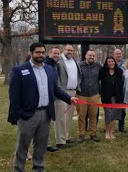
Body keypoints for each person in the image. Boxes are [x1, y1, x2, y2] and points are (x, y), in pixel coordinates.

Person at [9, 42, 78, 172]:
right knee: (22, 146)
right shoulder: (19, 70)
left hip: (46, 113)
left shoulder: (50, 69)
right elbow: (13, 95)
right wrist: (19, 113)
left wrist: (69, 98)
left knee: (40, 146)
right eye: (37, 52)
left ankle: (39, 168)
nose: (40, 55)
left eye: (42, 52)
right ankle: (18, 169)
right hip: (28, 115)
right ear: (31, 53)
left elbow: (56, 89)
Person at [55, 44, 81, 149]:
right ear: (63, 50)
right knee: (61, 117)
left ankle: (66, 137)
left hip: (72, 92)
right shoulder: (58, 61)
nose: (70, 52)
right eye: (68, 50)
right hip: (62, 92)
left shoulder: (74, 61)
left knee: (68, 117)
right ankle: (60, 142)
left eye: (71, 50)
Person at [76, 49, 101, 143]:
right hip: (81, 95)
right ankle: (81, 134)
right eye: (90, 55)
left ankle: (93, 134)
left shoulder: (98, 66)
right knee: (81, 116)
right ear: (86, 56)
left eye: (93, 56)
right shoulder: (79, 65)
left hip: (94, 94)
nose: (91, 57)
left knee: (93, 116)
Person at [99, 56, 124, 139]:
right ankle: (107, 133)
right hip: (107, 97)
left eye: (112, 61)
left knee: (114, 115)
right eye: (109, 62)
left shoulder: (119, 71)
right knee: (108, 115)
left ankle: (112, 132)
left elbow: (122, 84)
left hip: (117, 97)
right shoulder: (103, 72)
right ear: (106, 63)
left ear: (114, 62)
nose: (111, 63)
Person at [44, 46, 61, 152]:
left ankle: (47, 144)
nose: (56, 55)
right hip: (44, 98)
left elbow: (54, 85)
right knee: (43, 123)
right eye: (55, 53)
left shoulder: (55, 65)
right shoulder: (45, 64)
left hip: (51, 97)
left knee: (47, 122)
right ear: (49, 53)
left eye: (58, 54)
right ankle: (44, 145)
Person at [113, 48, 126, 133]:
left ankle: (121, 126)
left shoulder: (126, 64)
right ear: (114, 55)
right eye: (117, 54)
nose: (118, 55)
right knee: (112, 109)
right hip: (113, 90)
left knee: (123, 110)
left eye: (120, 53)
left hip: (123, 89)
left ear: (122, 54)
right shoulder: (111, 63)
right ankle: (111, 126)